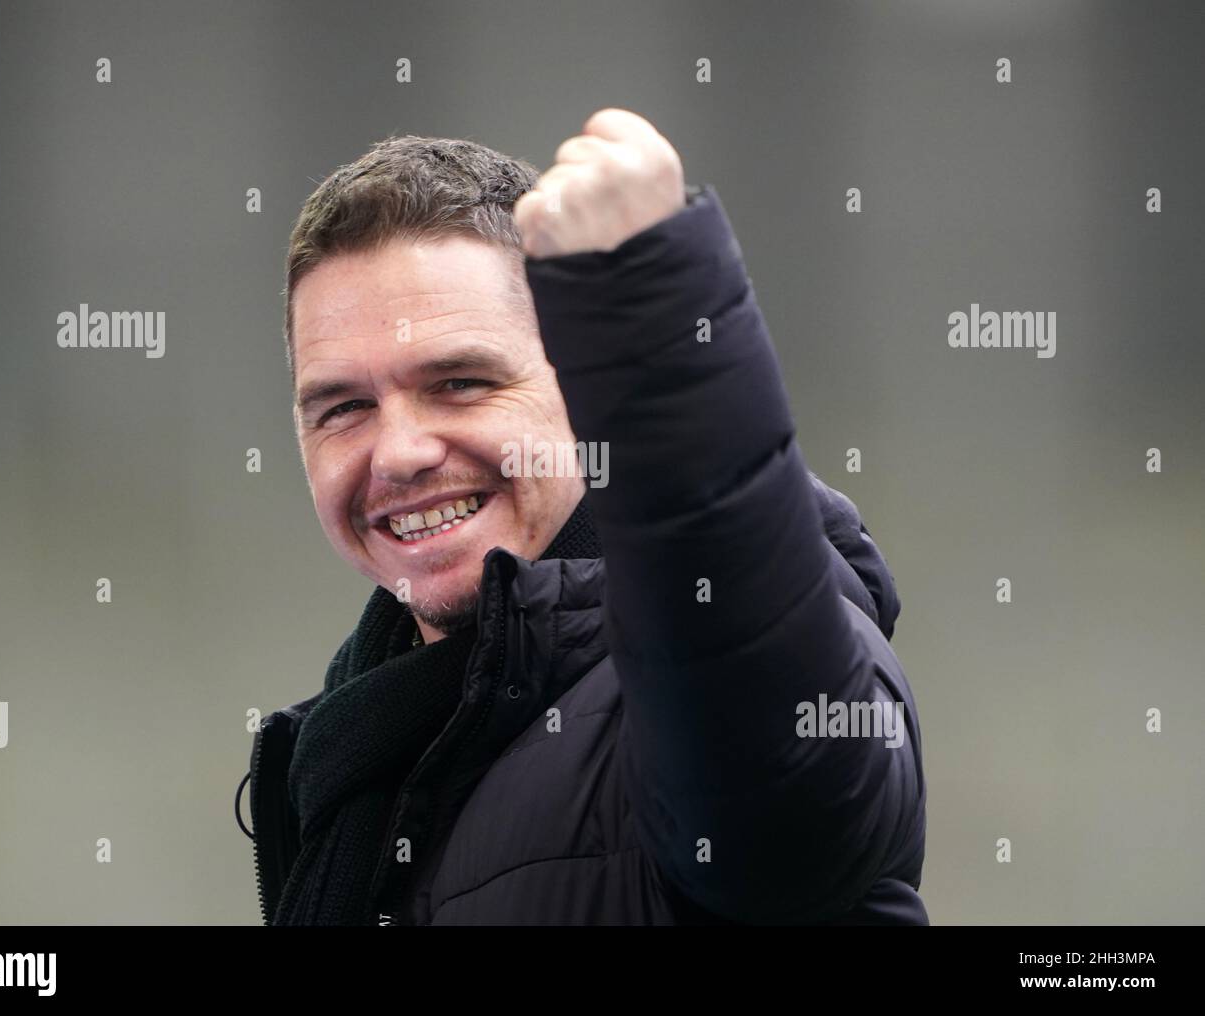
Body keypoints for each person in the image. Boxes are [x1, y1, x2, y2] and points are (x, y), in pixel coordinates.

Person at [237, 108, 927, 925]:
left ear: (582, 395)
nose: (399, 453)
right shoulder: (358, 752)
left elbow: (774, 767)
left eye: (460, 382)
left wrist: (659, 323)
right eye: (344, 406)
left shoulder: (714, 680)